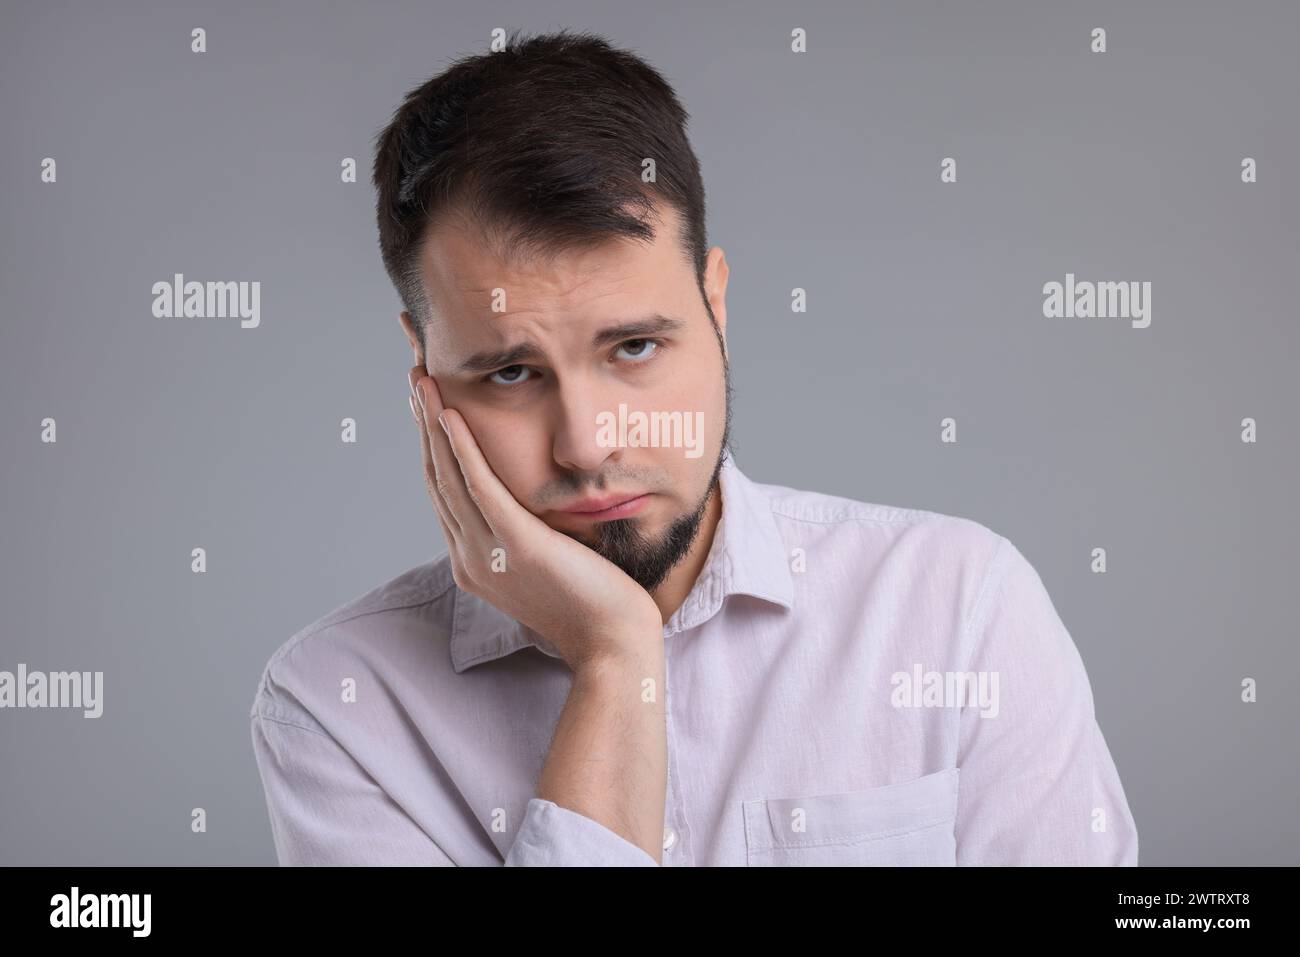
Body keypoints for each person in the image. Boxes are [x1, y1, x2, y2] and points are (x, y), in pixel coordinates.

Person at [250, 29, 1137, 866]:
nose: (591, 445)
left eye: (634, 347)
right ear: (424, 371)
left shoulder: (958, 613)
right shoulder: (339, 708)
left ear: (716, 308)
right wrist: (615, 660)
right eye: (512, 374)